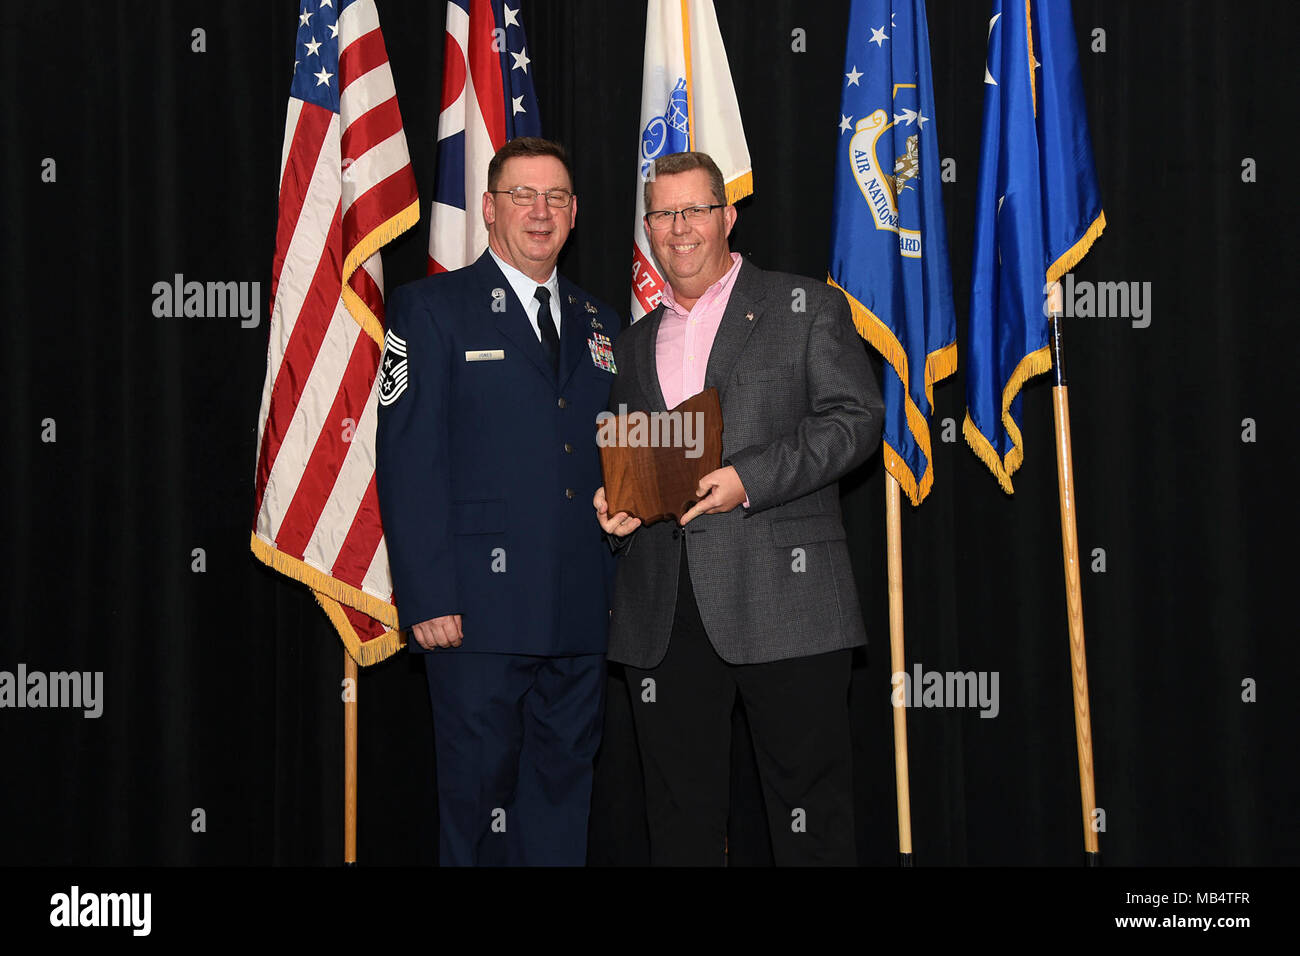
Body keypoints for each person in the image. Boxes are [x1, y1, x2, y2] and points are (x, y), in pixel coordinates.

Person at [593, 151, 883, 865]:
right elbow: (643, 455)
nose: (679, 227)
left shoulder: (805, 304)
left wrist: (746, 479)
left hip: (787, 601)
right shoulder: (631, 344)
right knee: (679, 822)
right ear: (649, 228)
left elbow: (857, 418)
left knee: (810, 819)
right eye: (663, 213)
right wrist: (619, 503)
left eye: (695, 210)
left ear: (727, 216)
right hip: (663, 612)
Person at [377, 137, 619, 866]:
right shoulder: (430, 310)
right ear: (488, 209)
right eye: (522, 196)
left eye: (555, 199)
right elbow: (408, 460)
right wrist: (426, 596)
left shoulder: (601, 321)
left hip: (579, 611)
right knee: (477, 814)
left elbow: (614, 449)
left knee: (560, 807)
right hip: (473, 615)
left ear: (575, 214)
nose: (539, 213)